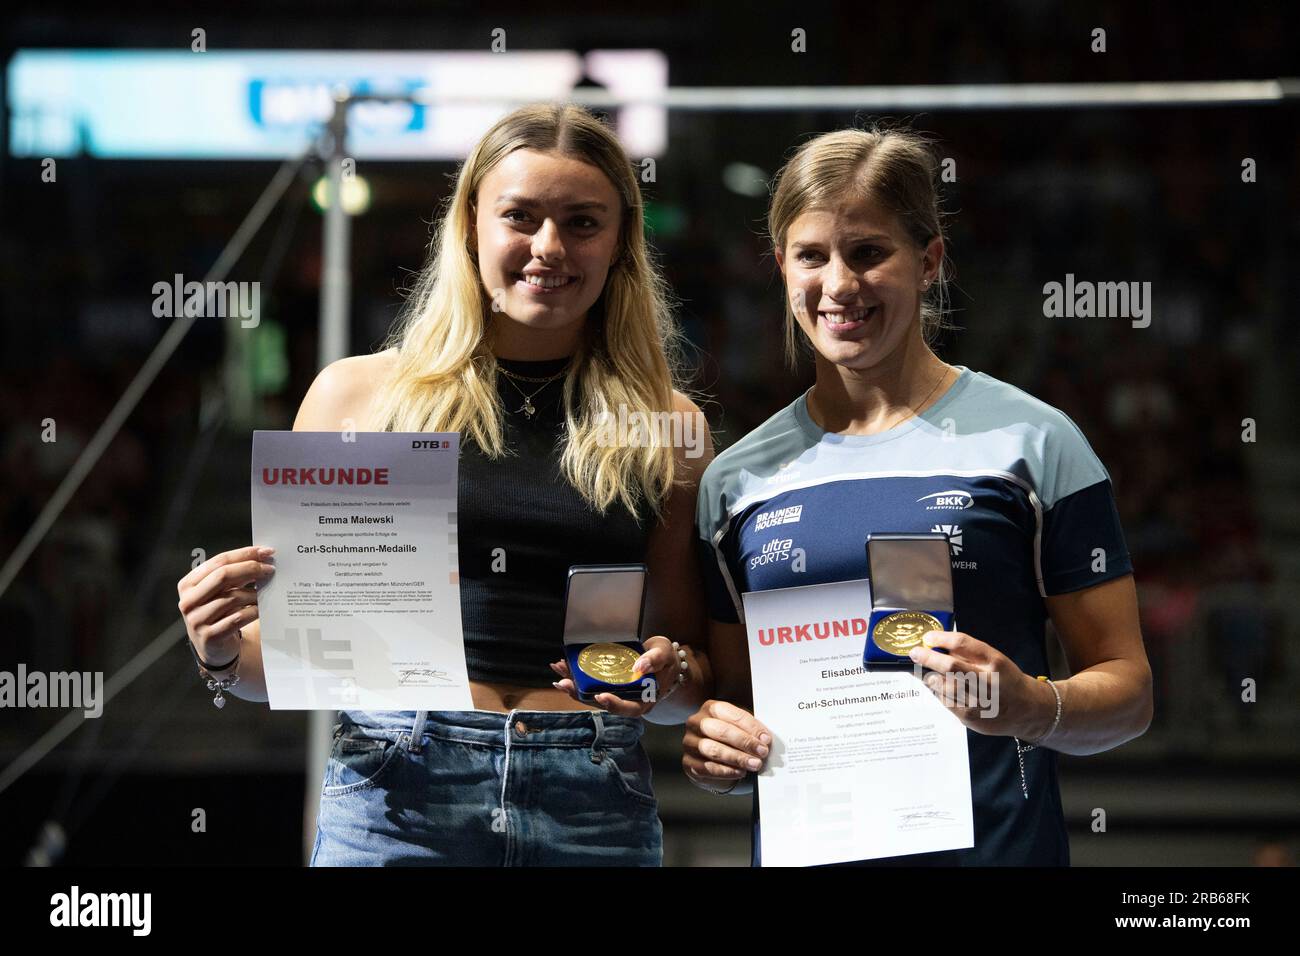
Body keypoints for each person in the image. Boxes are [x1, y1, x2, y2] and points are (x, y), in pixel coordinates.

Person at [176, 102, 714, 866]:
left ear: (622, 239)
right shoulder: (359, 397)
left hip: (591, 796)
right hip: (400, 790)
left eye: (583, 222)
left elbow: (690, 673)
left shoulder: (667, 423)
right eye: (520, 216)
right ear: (470, 224)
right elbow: (288, 665)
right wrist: (220, 651)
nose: (549, 247)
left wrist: (670, 674)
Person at [682, 124, 1153, 865]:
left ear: (929, 260)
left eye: (869, 252)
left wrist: (1032, 705)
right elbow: (741, 708)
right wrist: (717, 747)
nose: (839, 285)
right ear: (781, 266)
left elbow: (1128, 695)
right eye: (812, 256)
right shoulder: (734, 481)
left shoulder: (1036, 443)